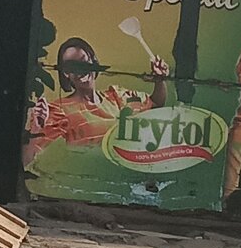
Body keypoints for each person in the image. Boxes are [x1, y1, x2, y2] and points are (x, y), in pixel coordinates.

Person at [24, 36, 169, 166]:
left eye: (83, 62)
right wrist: (36, 127)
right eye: (71, 67)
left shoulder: (116, 97)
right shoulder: (60, 110)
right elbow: (27, 160)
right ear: (65, 74)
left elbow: (155, 103)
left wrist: (160, 80)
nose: (80, 70)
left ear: (93, 60)